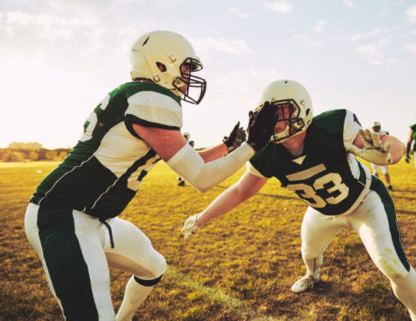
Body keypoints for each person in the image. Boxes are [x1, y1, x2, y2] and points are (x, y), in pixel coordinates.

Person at [24, 30, 276, 321]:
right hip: (63, 217)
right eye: (186, 67)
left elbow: (189, 161)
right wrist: (251, 146)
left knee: (153, 267)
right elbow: (201, 178)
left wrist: (227, 147)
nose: (188, 77)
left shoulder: (138, 98)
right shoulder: (151, 99)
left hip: (95, 218)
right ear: (160, 65)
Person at [182, 80, 416, 321]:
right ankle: (313, 276)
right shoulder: (266, 152)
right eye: (268, 115)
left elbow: (388, 148)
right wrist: (200, 218)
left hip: (364, 200)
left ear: (302, 108)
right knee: (309, 252)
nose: (274, 121)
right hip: (320, 210)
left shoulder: (333, 127)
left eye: (281, 112)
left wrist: (388, 148)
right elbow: (240, 192)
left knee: (392, 264)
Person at [370, 121, 393, 191]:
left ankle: (389, 185)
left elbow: (389, 142)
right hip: (374, 155)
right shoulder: (370, 134)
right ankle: (376, 185)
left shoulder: (384, 133)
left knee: (385, 171)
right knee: (375, 171)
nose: (375, 129)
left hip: (383, 155)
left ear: (379, 127)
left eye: (377, 127)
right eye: (374, 127)